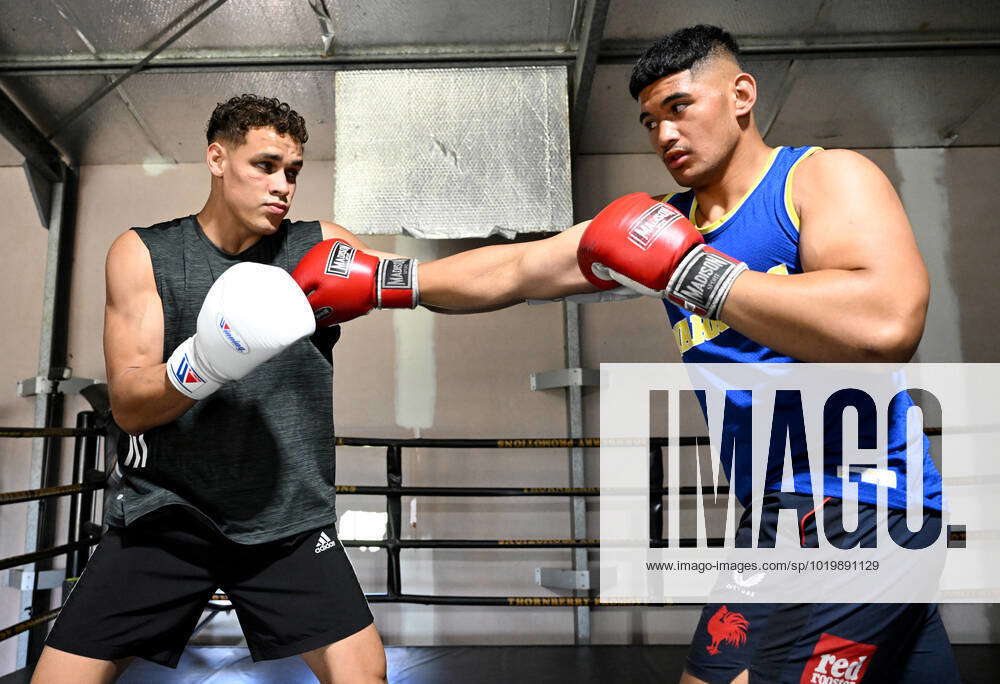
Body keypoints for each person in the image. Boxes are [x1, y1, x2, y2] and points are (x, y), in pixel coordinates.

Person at [292, 24, 959, 684]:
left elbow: (887, 322)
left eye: (680, 108)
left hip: (865, 509)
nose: (664, 135)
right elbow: (520, 268)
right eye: (649, 121)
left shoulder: (819, 180)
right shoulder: (658, 224)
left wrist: (691, 273)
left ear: (742, 95)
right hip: (776, 517)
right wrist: (386, 281)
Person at [31, 95, 408, 684]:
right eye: (265, 166)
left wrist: (569, 258)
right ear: (216, 158)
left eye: (293, 172)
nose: (283, 185)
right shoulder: (146, 252)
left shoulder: (318, 250)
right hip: (169, 515)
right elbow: (129, 404)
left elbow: (438, 281)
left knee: (364, 674)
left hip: (285, 523)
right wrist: (208, 360)